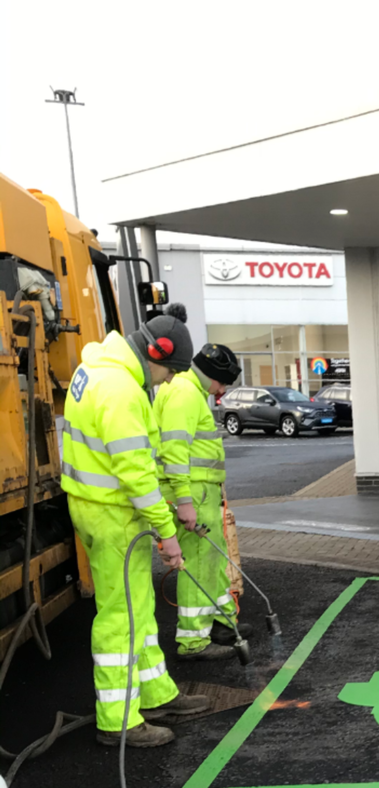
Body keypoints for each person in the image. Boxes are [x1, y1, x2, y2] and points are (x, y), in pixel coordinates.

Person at [61, 313, 211, 748]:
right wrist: (167, 533)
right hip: (111, 514)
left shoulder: (97, 368)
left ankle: (155, 693)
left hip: (98, 506)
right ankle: (119, 720)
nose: (167, 382)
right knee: (120, 618)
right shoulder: (120, 390)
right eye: (170, 372)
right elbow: (136, 472)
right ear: (156, 354)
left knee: (138, 608)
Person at [154, 341, 250, 660]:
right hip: (192, 493)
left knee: (211, 559)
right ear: (212, 374)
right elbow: (174, 453)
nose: (221, 390)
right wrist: (184, 501)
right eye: (222, 382)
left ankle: (222, 622)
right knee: (197, 561)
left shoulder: (188, 391)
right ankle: (194, 641)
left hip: (201, 492)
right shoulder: (184, 394)